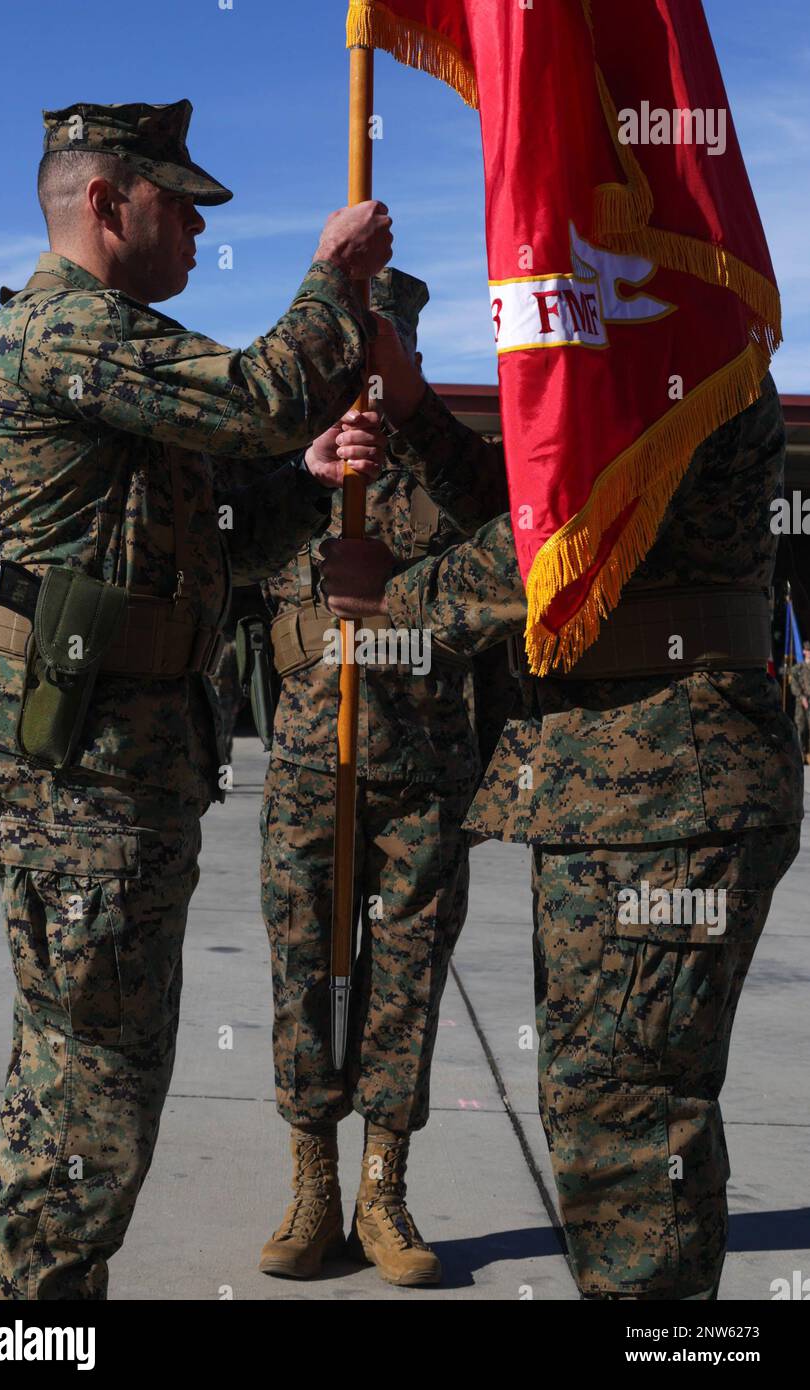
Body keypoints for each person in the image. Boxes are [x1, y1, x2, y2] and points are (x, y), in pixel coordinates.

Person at [0, 98, 392, 1300]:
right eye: (178, 206)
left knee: (92, 1068)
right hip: (79, 764)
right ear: (105, 202)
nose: (197, 234)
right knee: (95, 1076)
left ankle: (44, 1310)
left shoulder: (119, 349)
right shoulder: (67, 331)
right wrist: (329, 283)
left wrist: (301, 487)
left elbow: (219, 545)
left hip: (120, 756)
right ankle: (36, 1322)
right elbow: (256, 394)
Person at [319, 329, 805, 1300]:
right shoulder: (648, 327)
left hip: (668, 782)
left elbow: (561, 529)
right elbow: (533, 496)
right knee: (603, 1103)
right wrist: (414, 413)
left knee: (627, 1115)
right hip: (623, 789)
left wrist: (388, 597)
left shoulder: (674, 339)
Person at [256, 269, 507, 1286]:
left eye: (382, 353)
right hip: (311, 766)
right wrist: (305, 476)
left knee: (401, 985)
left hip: (422, 772)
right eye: (350, 354)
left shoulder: (451, 465)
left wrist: (412, 419)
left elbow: (507, 530)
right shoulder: (292, 463)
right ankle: (311, 1186)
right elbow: (229, 553)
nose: (362, 374)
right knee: (304, 976)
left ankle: (382, 1190)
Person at [788, 640, 810, 764]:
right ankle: (801, 754)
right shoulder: (797, 668)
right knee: (801, 728)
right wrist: (801, 697)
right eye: (807, 650)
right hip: (801, 702)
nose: (809, 653)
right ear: (803, 651)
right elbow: (794, 685)